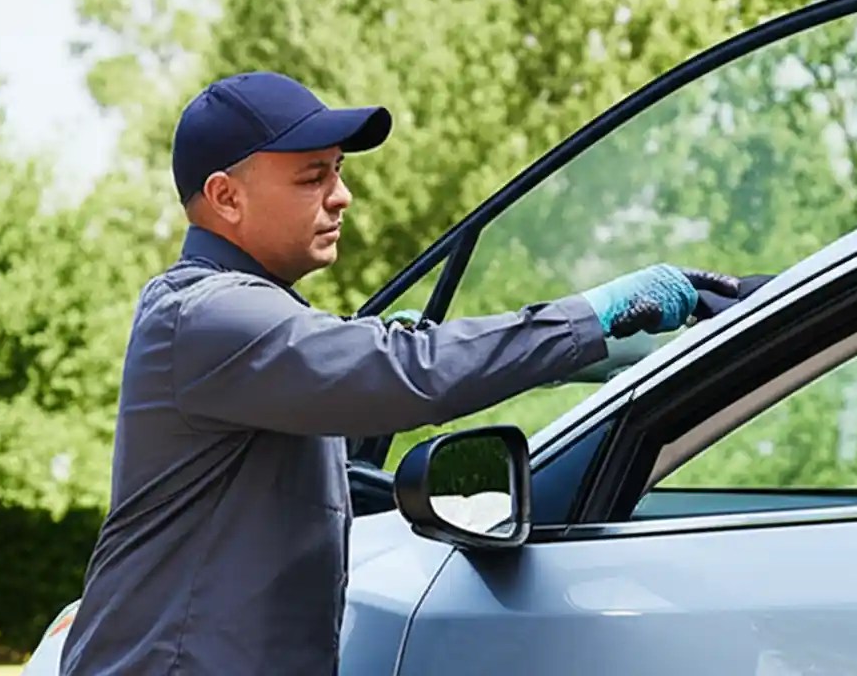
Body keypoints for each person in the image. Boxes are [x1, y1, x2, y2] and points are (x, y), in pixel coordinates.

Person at [59, 70, 743, 676]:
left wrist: (605, 355)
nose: (342, 196)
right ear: (225, 197)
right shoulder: (208, 315)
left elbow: (367, 376)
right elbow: (400, 374)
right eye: (312, 176)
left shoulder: (250, 322)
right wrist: (597, 316)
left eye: (337, 170)